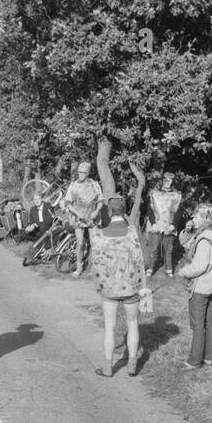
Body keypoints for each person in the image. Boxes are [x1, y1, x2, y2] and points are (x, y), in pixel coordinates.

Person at [90, 144, 151, 377]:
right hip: (131, 286)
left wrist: (101, 284)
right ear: (124, 210)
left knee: (110, 326)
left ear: (109, 210)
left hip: (109, 287)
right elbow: (140, 260)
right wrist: (143, 286)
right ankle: (133, 363)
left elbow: (96, 264)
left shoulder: (100, 235)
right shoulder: (133, 231)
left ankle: (108, 366)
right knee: (133, 324)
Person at [176, 203, 212, 369]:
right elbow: (185, 243)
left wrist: (183, 271)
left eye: (196, 217)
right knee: (209, 322)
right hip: (209, 285)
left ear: (204, 218)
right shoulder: (207, 235)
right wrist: (188, 230)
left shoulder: (204, 240)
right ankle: (210, 357)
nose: (193, 219)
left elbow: (199, 266)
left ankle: (194, 360)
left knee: (197, 325)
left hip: (200, 288)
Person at [63, 160, 104, 277]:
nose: (80, 174)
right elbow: (67, 203)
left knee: (94, 243)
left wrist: (96, 211)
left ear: (87, 173)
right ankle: (79, 267)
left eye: (83, 172)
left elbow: (101, 200)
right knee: (80, 242)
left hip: (92, 218)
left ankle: (94, 267)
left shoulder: (95, 184)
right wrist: (77, 212)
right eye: (79, 172)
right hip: (78, 218)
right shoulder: (73, 185)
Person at [146, 172, 182, 276]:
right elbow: (150, 209)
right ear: (162, 181)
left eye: (169, 181)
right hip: (156, 224)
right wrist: (153, 223)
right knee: (154, 248)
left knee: (168, 249)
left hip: (169, 225)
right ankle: (150, 268)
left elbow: (178, 211)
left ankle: (169, 269)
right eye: (165, 180)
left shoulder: (176, 195)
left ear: (172, 182)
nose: (167, 182)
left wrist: (174, 225)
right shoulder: (154, 194)